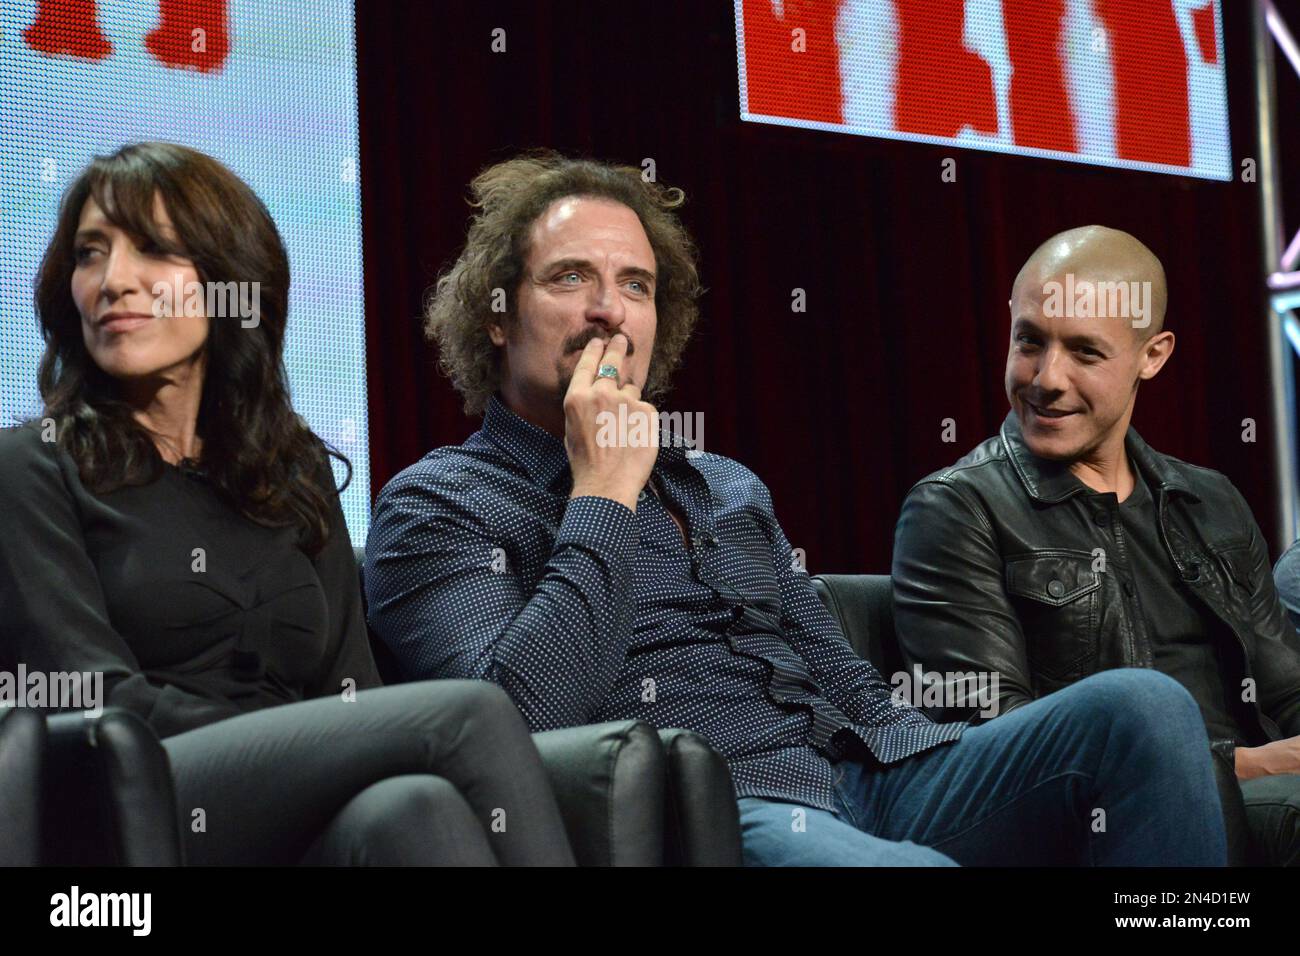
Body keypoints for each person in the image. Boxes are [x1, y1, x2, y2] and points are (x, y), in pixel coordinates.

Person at [365, 152, 1226, 866]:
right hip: (708, 810)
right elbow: (507, 733)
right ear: (494, 316)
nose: (609, 310)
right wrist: (601, 494)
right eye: (570, 278)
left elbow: (833, 667)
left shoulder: (726, 484)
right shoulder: (438, 505)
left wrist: (936, 756)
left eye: (636, 284)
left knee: (1142, 710)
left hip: (865, 778)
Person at [0, 142, 574, 866]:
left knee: (414, 809)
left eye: (153, 250)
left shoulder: (289, 474)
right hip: (131, 796)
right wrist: (304, 741)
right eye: (90, 253)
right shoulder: (29, 467)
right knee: (469, 715)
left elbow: (353, 689)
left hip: (281, 801)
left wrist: (317, 746)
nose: (114, 280)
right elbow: (88, 696)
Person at [893, 225, 1300, 866]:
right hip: (1116, 812)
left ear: (1153, 355)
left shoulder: (1210, 499)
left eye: (1084, 352)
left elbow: (1285, 689)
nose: (1046, 378)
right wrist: (1242, 765)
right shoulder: (955, 507)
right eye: (1030, 341)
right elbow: (1000, 749)